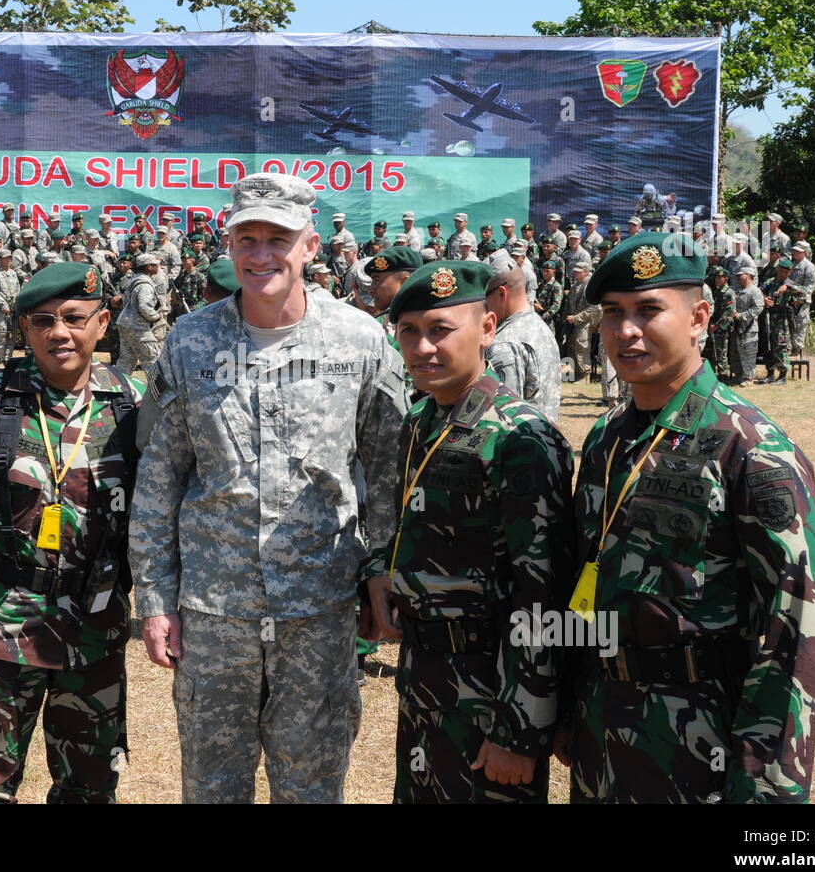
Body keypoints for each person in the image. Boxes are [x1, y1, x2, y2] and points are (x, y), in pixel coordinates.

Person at [129, 172, 409, 804]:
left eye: (277, 239)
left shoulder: (360, 339)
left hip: (319, 607)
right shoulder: (190, 340)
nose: (261, 255)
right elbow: (160, 478)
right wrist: (154, 596)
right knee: (212, 787)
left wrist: (382, 569)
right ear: (228, 246)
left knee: (311, 786)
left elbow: (387, 468)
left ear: (311, 247)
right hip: (212, 613)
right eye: (246, 238)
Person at [556, 232, 815, 803]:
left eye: (649, 311)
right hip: (602, 727)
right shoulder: (608, 436)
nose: (626, 331)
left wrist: (765, 790)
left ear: (699, 317)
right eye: (612, 313)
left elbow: (790, 629)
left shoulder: (751, 449)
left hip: (699, 743)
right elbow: (587, 580)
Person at [362, 260, 574, 803]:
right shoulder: (422, 421)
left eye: (440, 329)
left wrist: (520, 731)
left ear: (485, 329)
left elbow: (543, 594)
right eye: (409, 331)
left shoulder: (520, 438)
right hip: (425, 676)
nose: (423, 347)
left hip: (490, 689)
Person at [0, 264, 146, 804]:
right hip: (6, 621)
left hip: (97, 622)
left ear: (102, 323)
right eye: (43, 321)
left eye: (75, 319)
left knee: (90, 783)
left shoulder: (135, 403)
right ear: (24, 329)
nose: (60, 332)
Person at [485, 265, 563, 423]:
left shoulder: (505, 343)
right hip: (544, 435)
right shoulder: (538, 325)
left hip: (519, 441)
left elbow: (504, 418)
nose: (484, 305)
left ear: (501, 293)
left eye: (485, 297)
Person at [116, 253, 165, 374]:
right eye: (155, 265)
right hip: (138, 327)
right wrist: (157, 317)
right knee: (152, 359)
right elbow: (144, 307)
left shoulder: (134, 280)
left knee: (126, 360)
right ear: (148, 267)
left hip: (125, 323)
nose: (158, 267)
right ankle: (157, 391)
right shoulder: (145, 285)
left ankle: (119, 390)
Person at [730, 265, 762, 386]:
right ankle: (738, 375)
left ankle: (749, 378)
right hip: (737, 327)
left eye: (740, 275)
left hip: (749, 328)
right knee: (736, 352)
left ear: (748, 276)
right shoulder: (736, 290)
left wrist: (742, 315)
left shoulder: (754, 291)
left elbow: (758, 308)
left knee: (748, 353)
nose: (738, 277)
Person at [0, 250, 21, 364]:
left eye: (10, 258)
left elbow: (17, 289)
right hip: (1, 311)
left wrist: (17, 303)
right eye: (6, 258)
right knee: (1, 335)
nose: (9, 260)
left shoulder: (13, 272)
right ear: (0, 259)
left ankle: (8, 360)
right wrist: (4, 304)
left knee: (12, 335)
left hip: (13, 310)